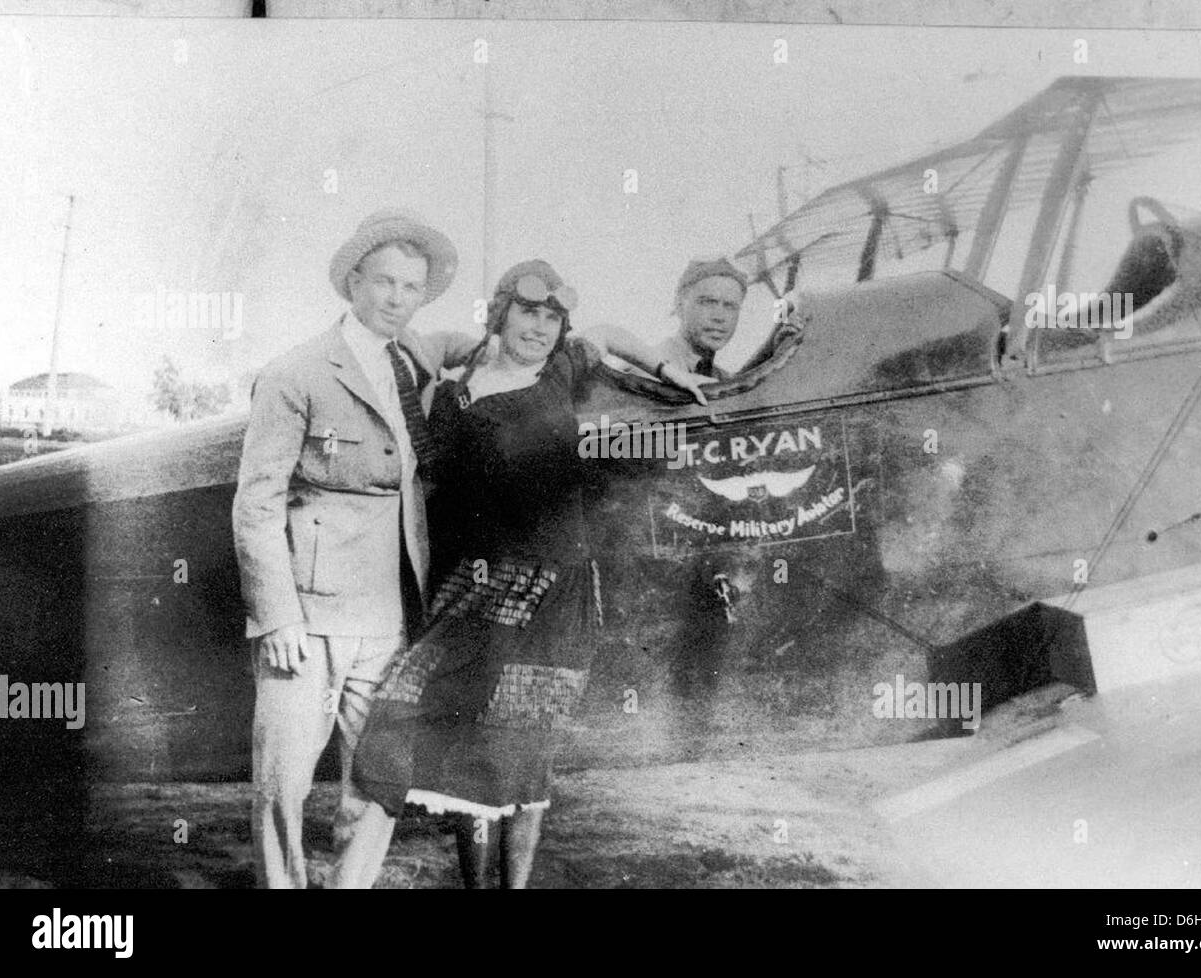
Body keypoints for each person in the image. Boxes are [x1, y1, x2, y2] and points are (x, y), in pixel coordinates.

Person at [345, 259, 713, 888]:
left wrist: (665, 367)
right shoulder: (451, 394)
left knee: (522, 749)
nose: (540, 329)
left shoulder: (562, 369)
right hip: (472, 588)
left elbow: (608, 331)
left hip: (554, 588)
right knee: (436, 733)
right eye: (528, 313)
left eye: (551, 319)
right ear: (501, 313)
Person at [232, 208, 480, 889]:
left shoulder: (415, 356)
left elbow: (467, 345)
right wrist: (277, 616)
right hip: (308, 617)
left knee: (378, 777)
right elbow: (256, 503)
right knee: (281, 780)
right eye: (385, 283)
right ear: (352, 282)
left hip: (390, 610)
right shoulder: (297, 373)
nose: (398, 299)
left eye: (413, 288)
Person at [636, 254, 801, 381]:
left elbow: (733, 387)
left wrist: (774, 349)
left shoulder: (712, 372)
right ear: (679, 306)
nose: (719, 317)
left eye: (730, 306)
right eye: (708, 302)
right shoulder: (654, 366)